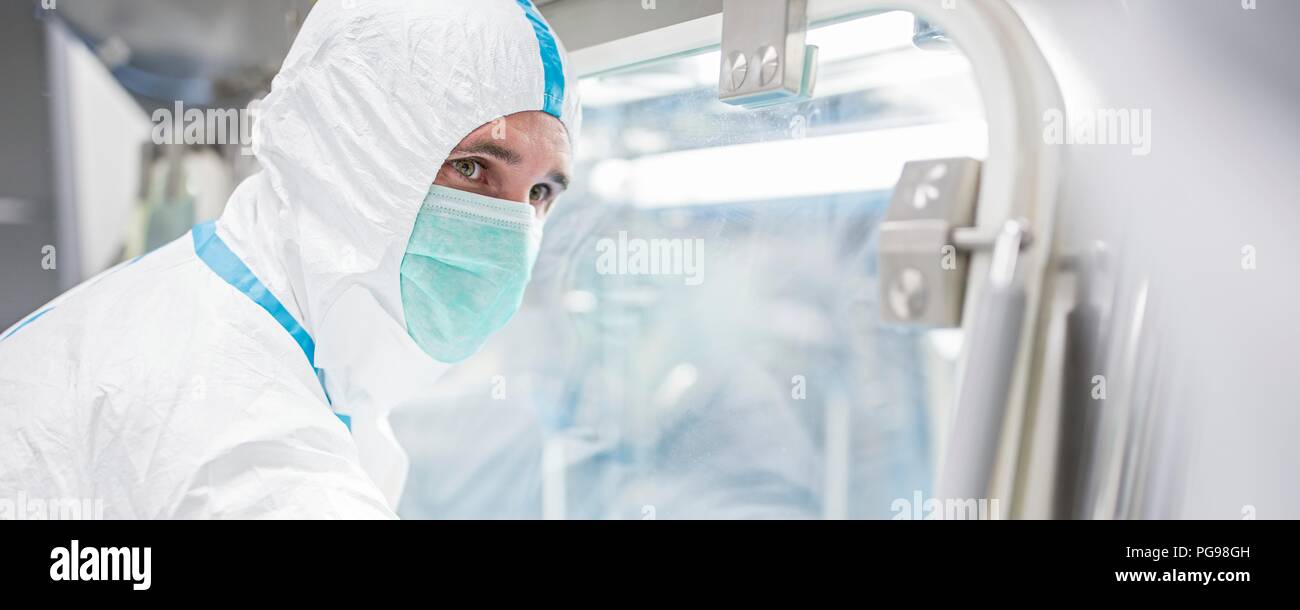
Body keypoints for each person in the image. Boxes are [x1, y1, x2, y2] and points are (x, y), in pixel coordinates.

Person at [0, 0, 581, 519]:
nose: (510, 235)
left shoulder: (260, 317)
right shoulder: (239, 430)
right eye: (474, 168)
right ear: (350, 148)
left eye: (539, 193)